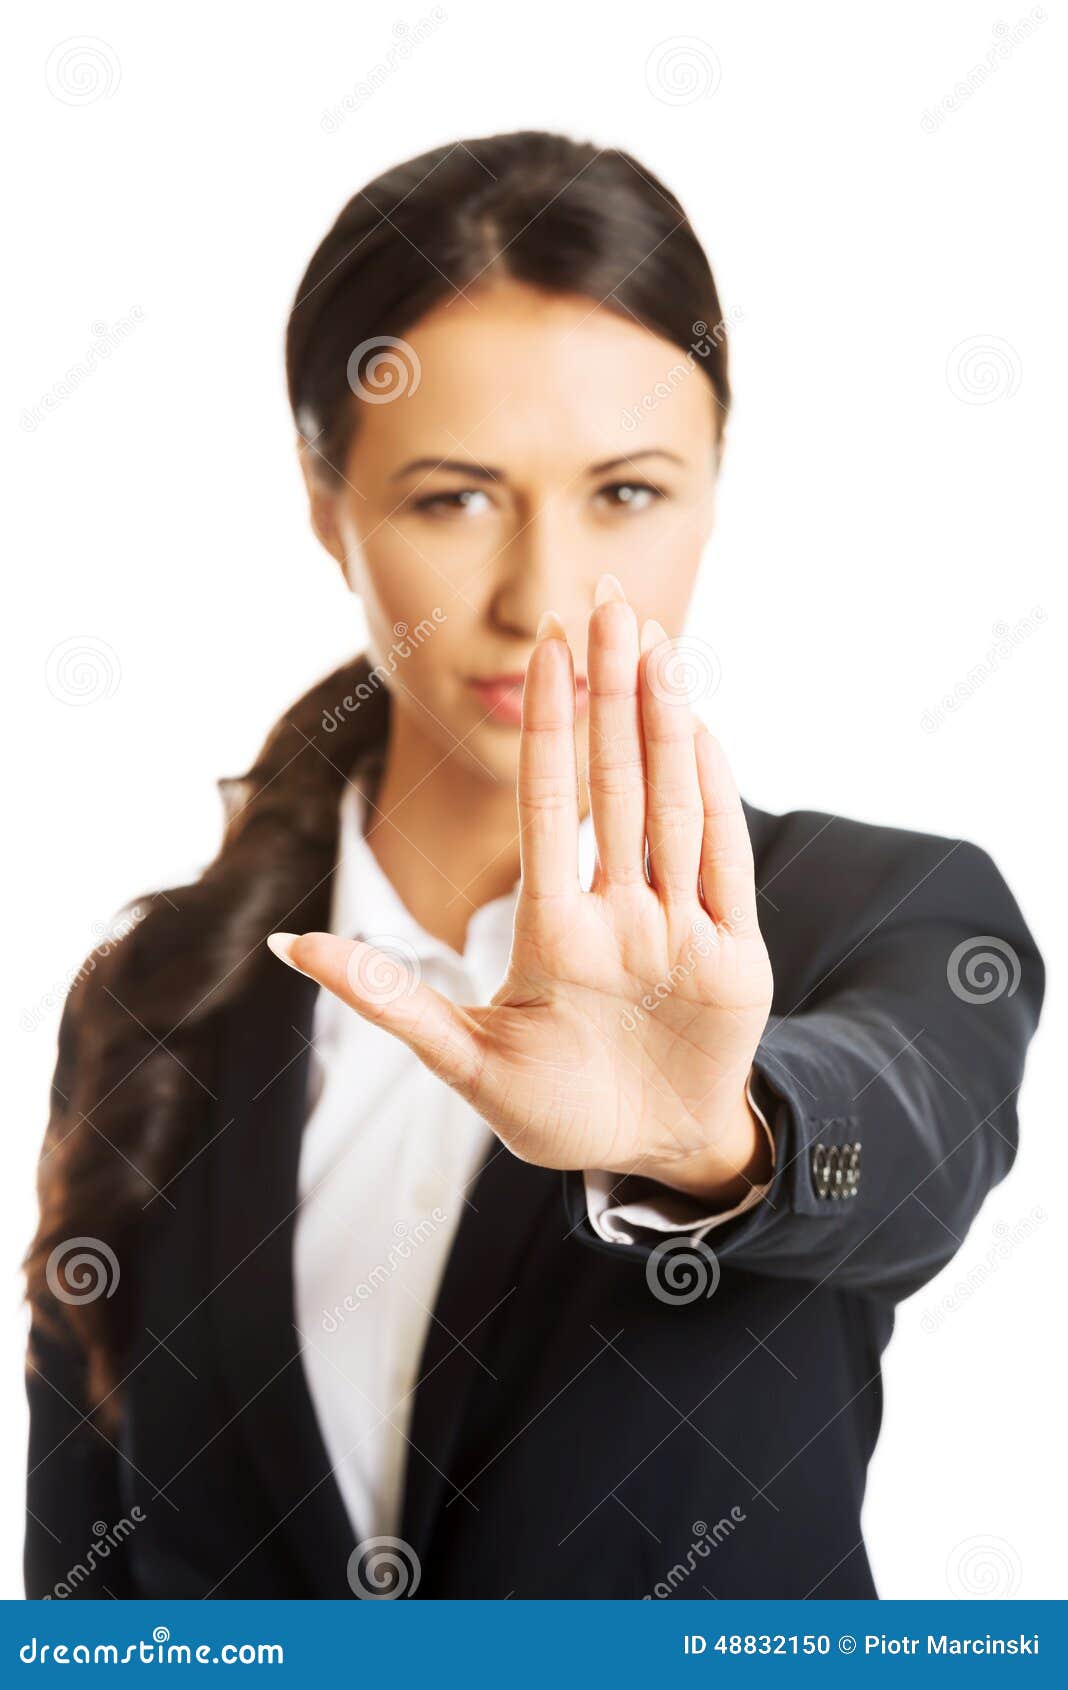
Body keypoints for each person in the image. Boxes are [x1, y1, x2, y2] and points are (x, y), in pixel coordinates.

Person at [24, 131, 1043, 1600]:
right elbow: (78, 1593)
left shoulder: (884, 909)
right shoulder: (158, 994)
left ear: (712, 486)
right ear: (328, 506)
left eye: (626, 493)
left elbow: (900, 1146)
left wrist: (725, 1140)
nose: (545, 596)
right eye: (453, 497)